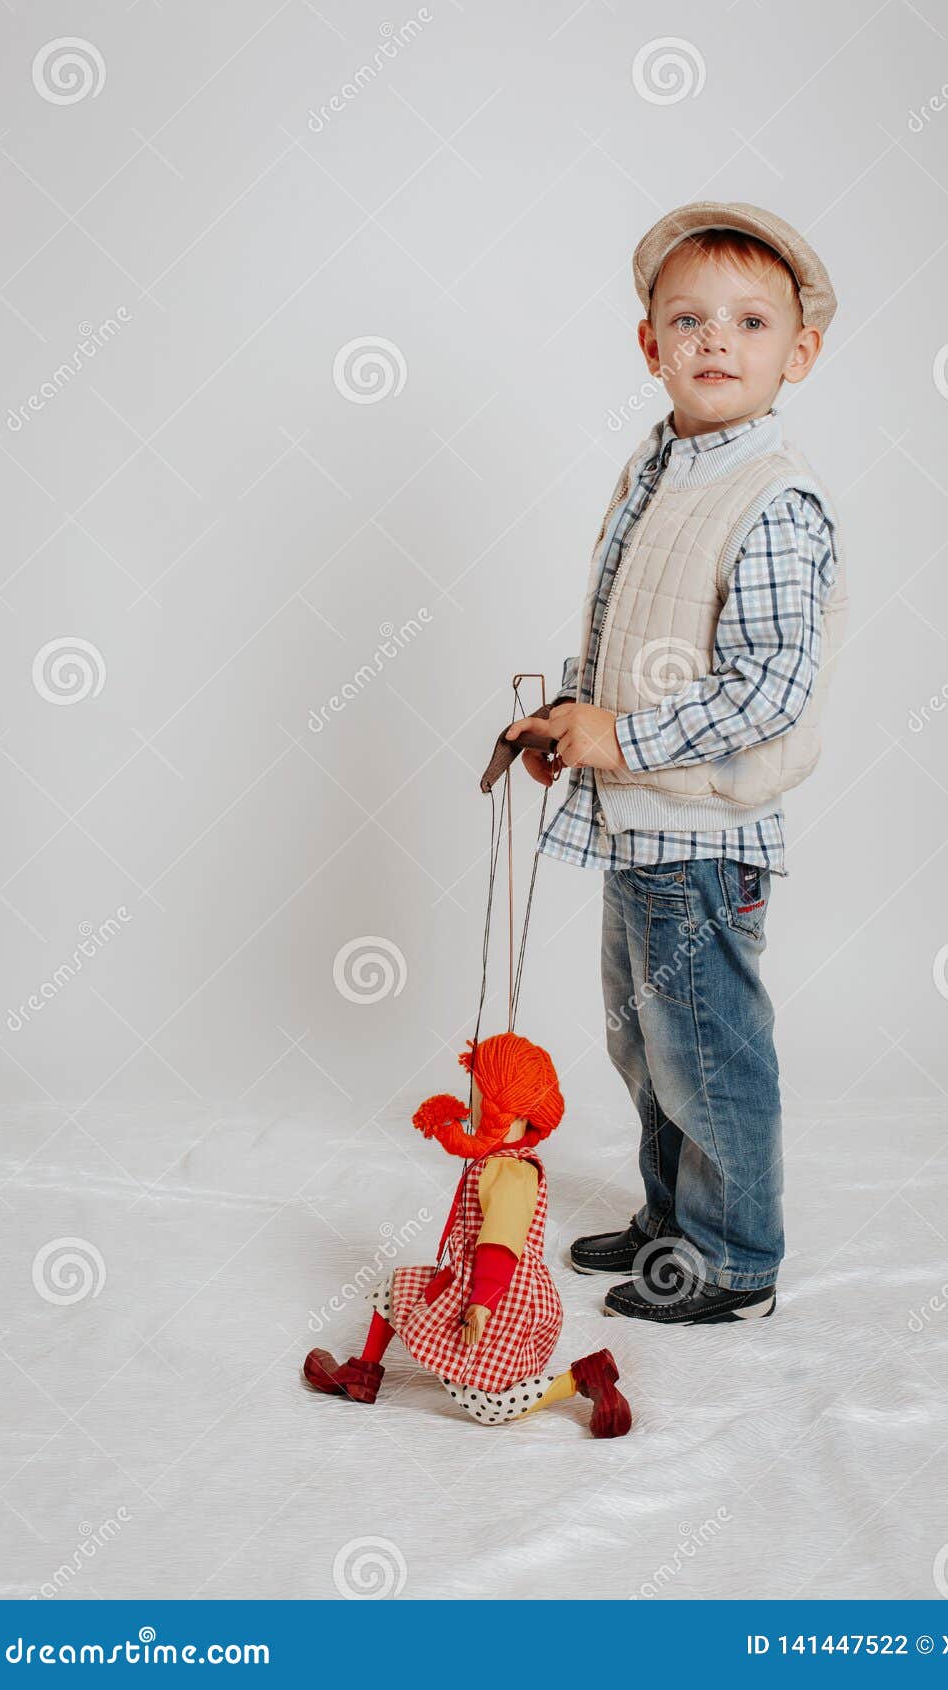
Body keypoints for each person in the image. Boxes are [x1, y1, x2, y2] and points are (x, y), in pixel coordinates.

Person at [505, 201, 847, 1326]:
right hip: (640, 823)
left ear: (796, 353)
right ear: (648, 345)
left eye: (749, 322)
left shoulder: (769, 500)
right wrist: (573, 712)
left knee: (707, 1049)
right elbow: (631, 628)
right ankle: (671, 1218)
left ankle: (734, 1257)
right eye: (687, 319)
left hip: (701, 830)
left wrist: (624, 737)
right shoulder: (661, 466)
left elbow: (767, 689)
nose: (714, 341)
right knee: (644, 1040)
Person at [303, 1032, 631, 1435]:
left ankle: (581, 1378)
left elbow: (501, 1241)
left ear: (501, 1103)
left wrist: (482, 1302)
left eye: (478, 1098)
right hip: (469, 1279)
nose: (472, 1108)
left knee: (487, 1404)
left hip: (498, 1294)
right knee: (396, 1287)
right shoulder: (499, 1160)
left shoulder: (509, 1171)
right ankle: (364, 1372)